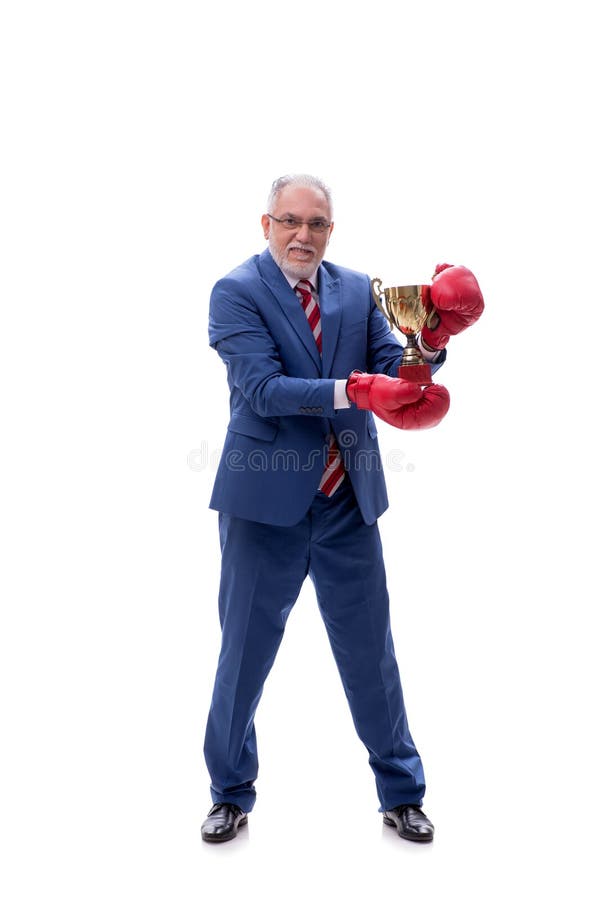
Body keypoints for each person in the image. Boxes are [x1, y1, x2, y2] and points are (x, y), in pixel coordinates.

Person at [201, 174, 484, 843]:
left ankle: (401, 793)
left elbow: (399, 366)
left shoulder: (357, 290)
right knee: (242, 655)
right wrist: (357, 390)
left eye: (317, 224)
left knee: (370, 655)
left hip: (345, 500)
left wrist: (435, 340)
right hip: (262, 504)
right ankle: (228, 792)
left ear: (332, 230)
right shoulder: (235, 292)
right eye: (290, 221)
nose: (303, 235)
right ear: (265, 223)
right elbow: (264, 389)